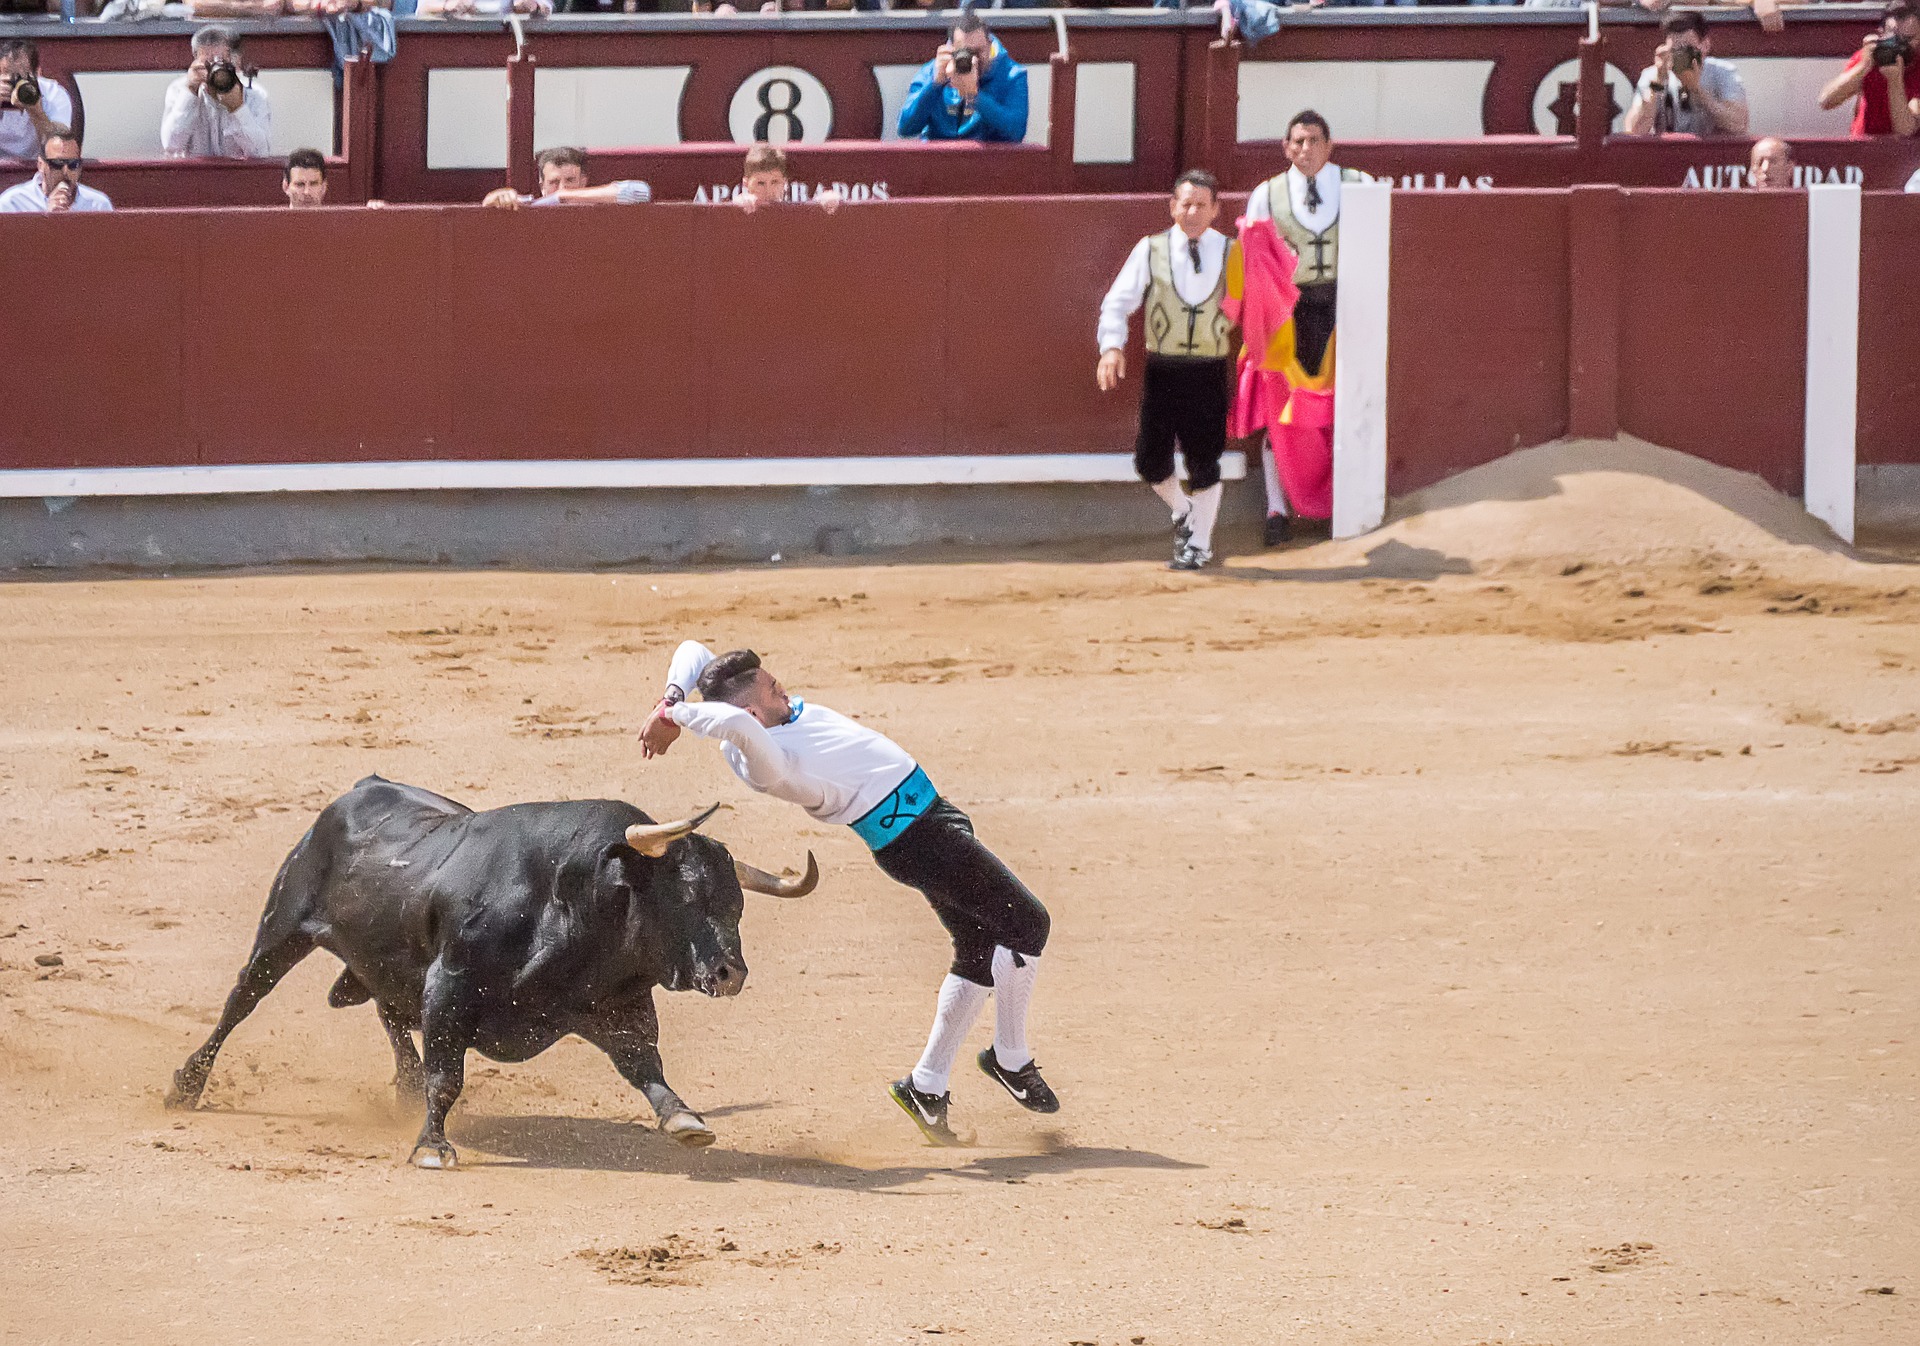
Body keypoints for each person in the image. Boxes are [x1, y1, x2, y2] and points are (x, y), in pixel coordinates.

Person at [638, 643, 1058, 1147]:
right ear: (749, 712)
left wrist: (668, 701)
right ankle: (1010, 1057)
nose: (783, 688)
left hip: (933, 820)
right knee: (1029, 924)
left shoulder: (766, 720)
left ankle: (926, 1087)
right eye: (772, 689)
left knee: (978, 949)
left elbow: (693, 650)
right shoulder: (770, 763)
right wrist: (677, 716)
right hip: (918, 841)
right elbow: (738, 727)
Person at [1096, 169, 1234, 571]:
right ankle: (1185, 511)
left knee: (1205, 460)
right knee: (1150, 461)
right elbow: (1118, 301)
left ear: (1215, 211)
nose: (1192, 212)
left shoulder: (1232, 252)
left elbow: (1258, 305)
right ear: (1173, 207)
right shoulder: (1151, 249)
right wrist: (1111, 347)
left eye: (1201, 205)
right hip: (1164, 369)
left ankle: (1199, 545)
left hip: (1209, 368)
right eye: (1185, 203)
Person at [1230, 109, 1357, 542]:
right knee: (1281, 413)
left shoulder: (1359, 186)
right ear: (1286, 147)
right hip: (1287, 315)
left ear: (1329, 145)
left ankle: (1346, 504)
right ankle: (1276, 509)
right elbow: (1252, 267)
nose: (1305, 149)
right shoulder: (1266, 195)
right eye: (1297, 142)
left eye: (1314, 140)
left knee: (1342, 408)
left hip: (1345, 309)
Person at [897, 5, 1028, 143]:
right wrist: (934, 85)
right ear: (951, 49)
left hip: (987, 160)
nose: (974, 60)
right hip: (939, 158)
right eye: (966, 52)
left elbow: (1016, 132)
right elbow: (905, 129)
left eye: (978, 52)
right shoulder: (932, 71)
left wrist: (974, 96)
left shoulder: (1012, 75)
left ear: (989, 45)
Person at [1623, 11, 1750, 138]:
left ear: (1705, 45)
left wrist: (1696, 90)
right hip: (1668, 153)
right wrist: (1658, 81)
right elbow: (1635, 130)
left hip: (1710, 153)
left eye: (1688, 49)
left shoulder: (1723, 72)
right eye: (1675, 50)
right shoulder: (1652, 76)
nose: (1682, 55)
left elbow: (1738, 124)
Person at [161, 26, 273, 159]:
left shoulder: (255, 94)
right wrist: (190, 92)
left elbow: (260, 152)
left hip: (238, 176)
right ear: (195, 59)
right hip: (195, 175)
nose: (215, 70)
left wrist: (237, 108)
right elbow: (171, 146)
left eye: (222, 63)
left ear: (237, 61)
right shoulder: (179, 89)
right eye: (207, 63)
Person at [1816, 2, 1920, 139]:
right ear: (1881, 33)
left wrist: (1894, 80)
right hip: (1863, 147)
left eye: (1907, 39)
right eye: (1893, 38)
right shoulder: (1870, 56)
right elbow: (1826, 101)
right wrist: (1864, 66)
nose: (1899, 45)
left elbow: (1906, 130)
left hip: (1902, 152)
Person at [481, 146, 651, 208]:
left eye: (570, 180)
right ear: (542, 186)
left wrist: (561, 197)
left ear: (583, 181)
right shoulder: (533, 206)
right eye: (554, 182)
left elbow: (640, 192)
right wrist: (495, 198)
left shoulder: (599, 203)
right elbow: (488, 206)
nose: (562, 187)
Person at [0, 124, 112, 213]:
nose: (65, 171)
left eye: (73, 164)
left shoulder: (98, 205)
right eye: (57, 164)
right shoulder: (13, 203)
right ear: (40, 165)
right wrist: (49, 218)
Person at [0, 41, 73, 164]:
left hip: (39, 166)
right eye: (10, 79)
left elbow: (58, 146)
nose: (15, 85)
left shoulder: (53, 94)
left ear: (37, 73)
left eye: (20, 77)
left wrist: (35, 110)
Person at [730, 142, 841, 213]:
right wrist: (734, 208)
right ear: (746, 184)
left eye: (774, 182)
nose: (768, 190)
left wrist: (827, 202)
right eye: (760, 183)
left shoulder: (794, 211)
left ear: (784, 182)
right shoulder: (738, 206)